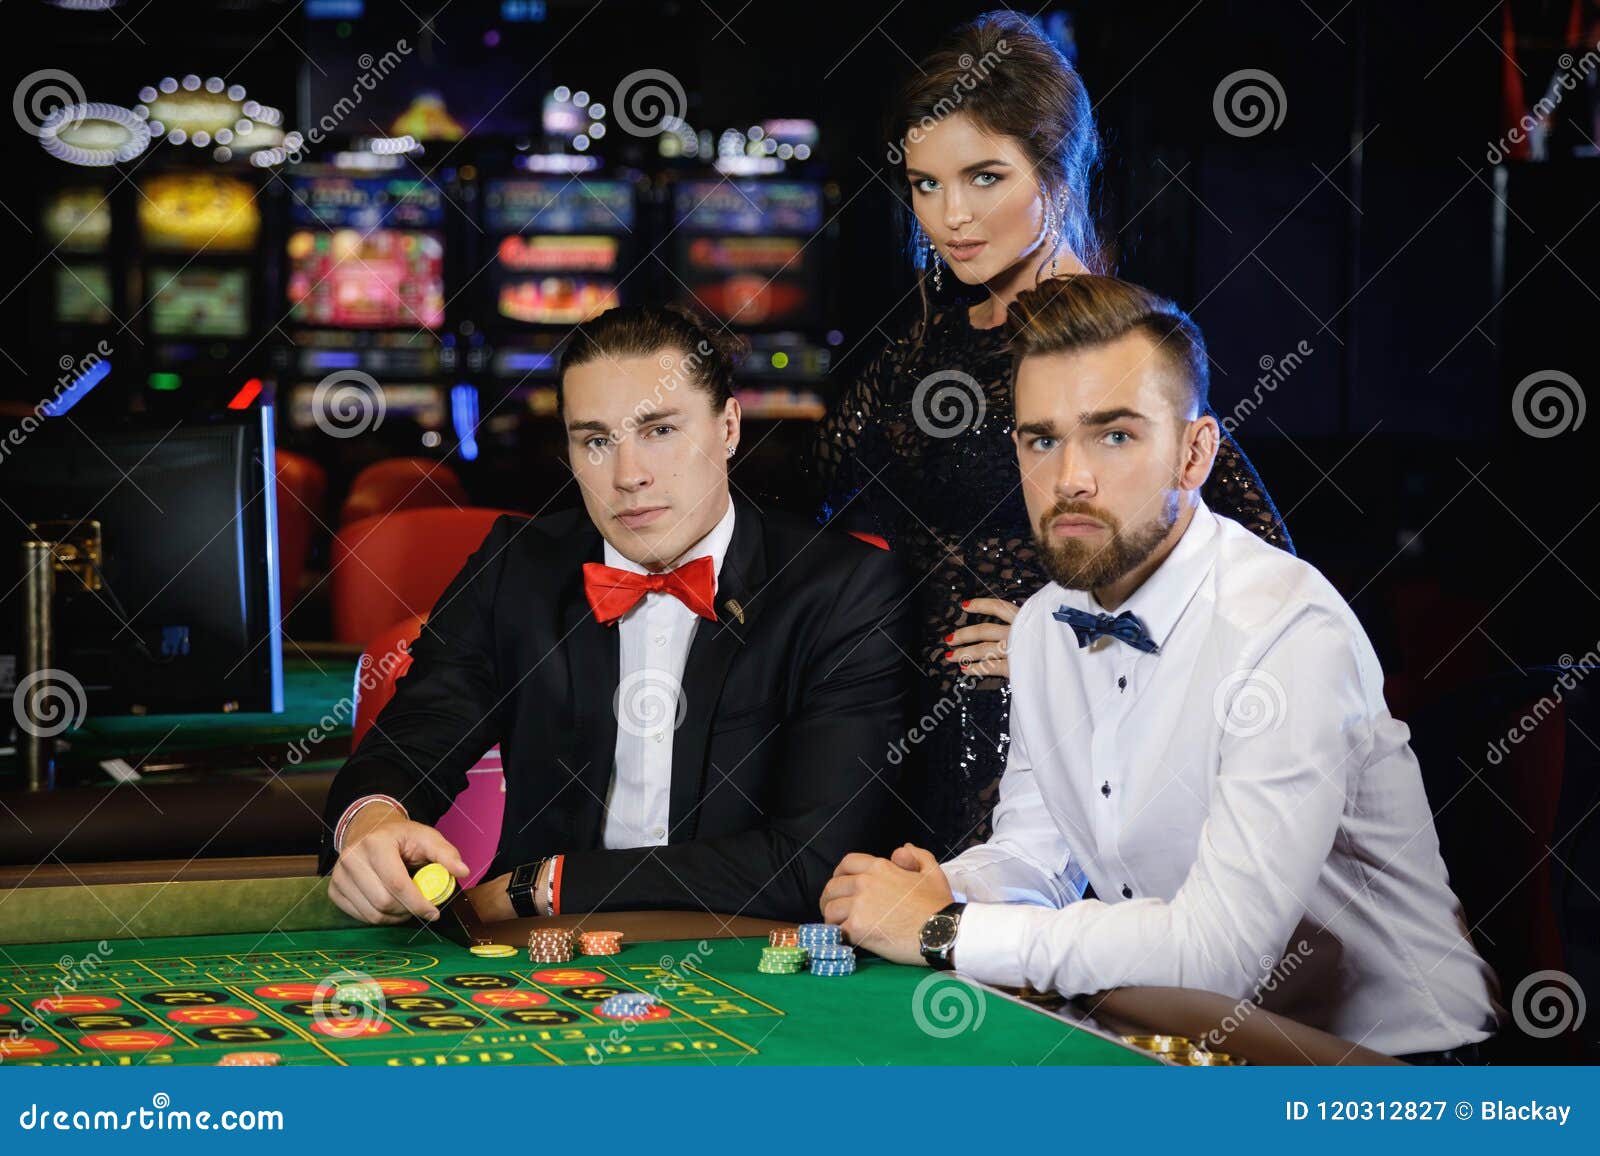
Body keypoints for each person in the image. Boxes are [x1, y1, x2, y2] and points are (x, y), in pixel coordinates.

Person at [820, 276, 1501, 1060]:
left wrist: (946, 932)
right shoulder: (1045, 622)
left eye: (1114, 435)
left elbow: (1218, 957)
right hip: (1182, 1042)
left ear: (1195, 453)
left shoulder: (1285, 628)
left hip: (1384, 1069)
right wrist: (944, 887)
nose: (1070, 476)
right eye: (1042, 439)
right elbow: (1035, 854)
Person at [813, 10, 1292, 859]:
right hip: (906, 742)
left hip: (1058, 739)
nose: (950, 215)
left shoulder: (1114, 343)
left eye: (985, 176)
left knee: (1039, 980)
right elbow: (795, 511)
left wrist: (1074, 634)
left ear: (1059, 173)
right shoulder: (917, 351)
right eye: (925, 185)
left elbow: (1263, 580)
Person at [320, 304, 912, 925]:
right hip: (537, 961)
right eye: (597, 441)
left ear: (729, 427)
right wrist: (372, 820)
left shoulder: (843, 588)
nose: (628, 476)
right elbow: (412, 738)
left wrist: (547, 884)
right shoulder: (516, 568)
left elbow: (821, 862)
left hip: (752, 957)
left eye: (659, 430)